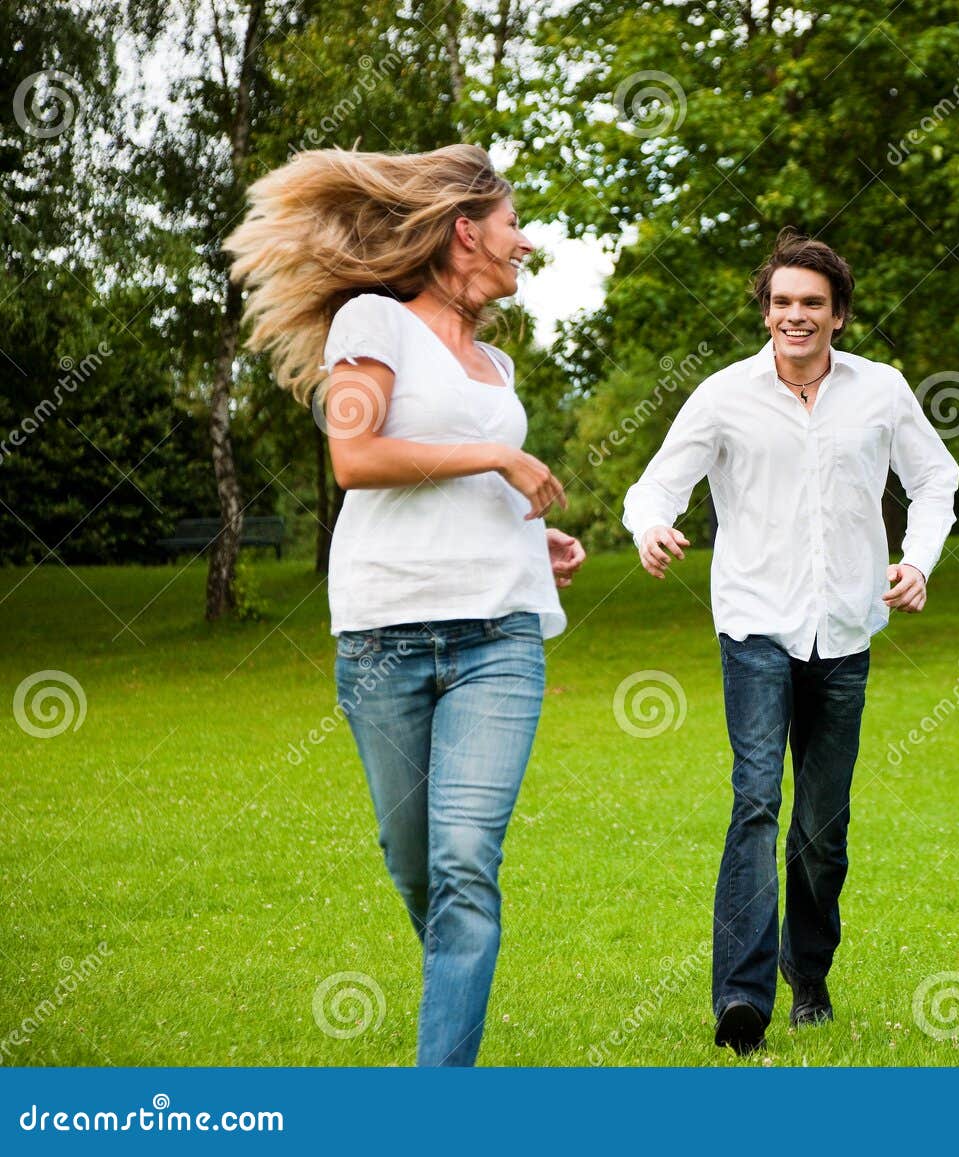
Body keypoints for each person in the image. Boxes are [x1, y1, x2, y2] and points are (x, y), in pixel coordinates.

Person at [223, 143, 585, 1066]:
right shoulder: (374, 321)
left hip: (499, 637)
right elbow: (358, 458)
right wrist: (497, 460)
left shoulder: (497, 367)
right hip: (384, 636)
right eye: (514, 226)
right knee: (416, 863)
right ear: (467, 231)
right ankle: (455, 991)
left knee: (466, 860)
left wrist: (525, 535)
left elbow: (459, 484)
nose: (527, 243)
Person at [622, 229, 959, 1054]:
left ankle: (809, 976)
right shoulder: (724, 395)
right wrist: (649, 527)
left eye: (811, 303)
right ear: (766, 311)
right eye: (781, 303)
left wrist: (917, 560)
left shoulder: (879, 391)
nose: (795, 316)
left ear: (837, 314)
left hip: (845, 626)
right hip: (754, 624)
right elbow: (656, 483)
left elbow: (935, 477)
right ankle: (741, 999)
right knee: (756, 801)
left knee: (821, 826)